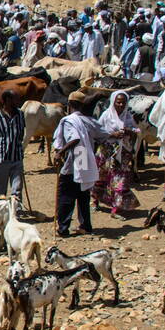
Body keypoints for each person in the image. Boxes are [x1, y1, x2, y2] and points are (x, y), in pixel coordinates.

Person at [52, 91, 121, 236]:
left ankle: (63, 228)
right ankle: (85, 226)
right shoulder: (88, 120)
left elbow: (74, 139)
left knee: (66, 195)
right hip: (85, 159)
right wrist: (115, 134)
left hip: (74, 160)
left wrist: (60, 152)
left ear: (69, 104)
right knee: (83, 194)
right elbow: (103, 133)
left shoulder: (68, 120)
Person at [92, 91, 140, 217]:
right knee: (101, 177)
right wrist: (112, 135)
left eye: (123, 102)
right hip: (106, 151)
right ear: (113, 102)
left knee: (120, 181)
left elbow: (136, 131)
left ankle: (116, 209)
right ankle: (95, 201)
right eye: (118, 102)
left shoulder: (128, 117)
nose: (120, 105)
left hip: (123, 152)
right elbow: (98, 132)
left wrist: (129, 131)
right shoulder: (106, 115)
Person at [0, 89, 26, 209]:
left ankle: (15, 211)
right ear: (7, 100)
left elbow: (21, 133)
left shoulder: (20, 114)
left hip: (17, 156)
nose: (18, 101)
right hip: (2, 157)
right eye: (15, 99)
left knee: (17, 187)